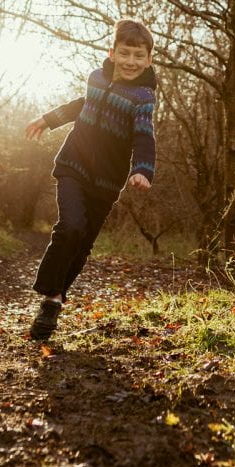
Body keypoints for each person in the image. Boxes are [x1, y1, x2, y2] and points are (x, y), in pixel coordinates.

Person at [24, 19, 157, 339]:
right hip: (73, 164)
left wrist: (142, 168)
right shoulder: (96, 78)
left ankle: (54, 301)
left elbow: (144, 134)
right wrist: (49, 118)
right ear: (112, 52)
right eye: (125, 53)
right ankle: (51, 297)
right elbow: (83, 105)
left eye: (139, 56)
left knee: (83, 244)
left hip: (107, 181)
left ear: (149, 60)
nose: (130, 62)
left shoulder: (143, 96)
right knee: (71, 226)